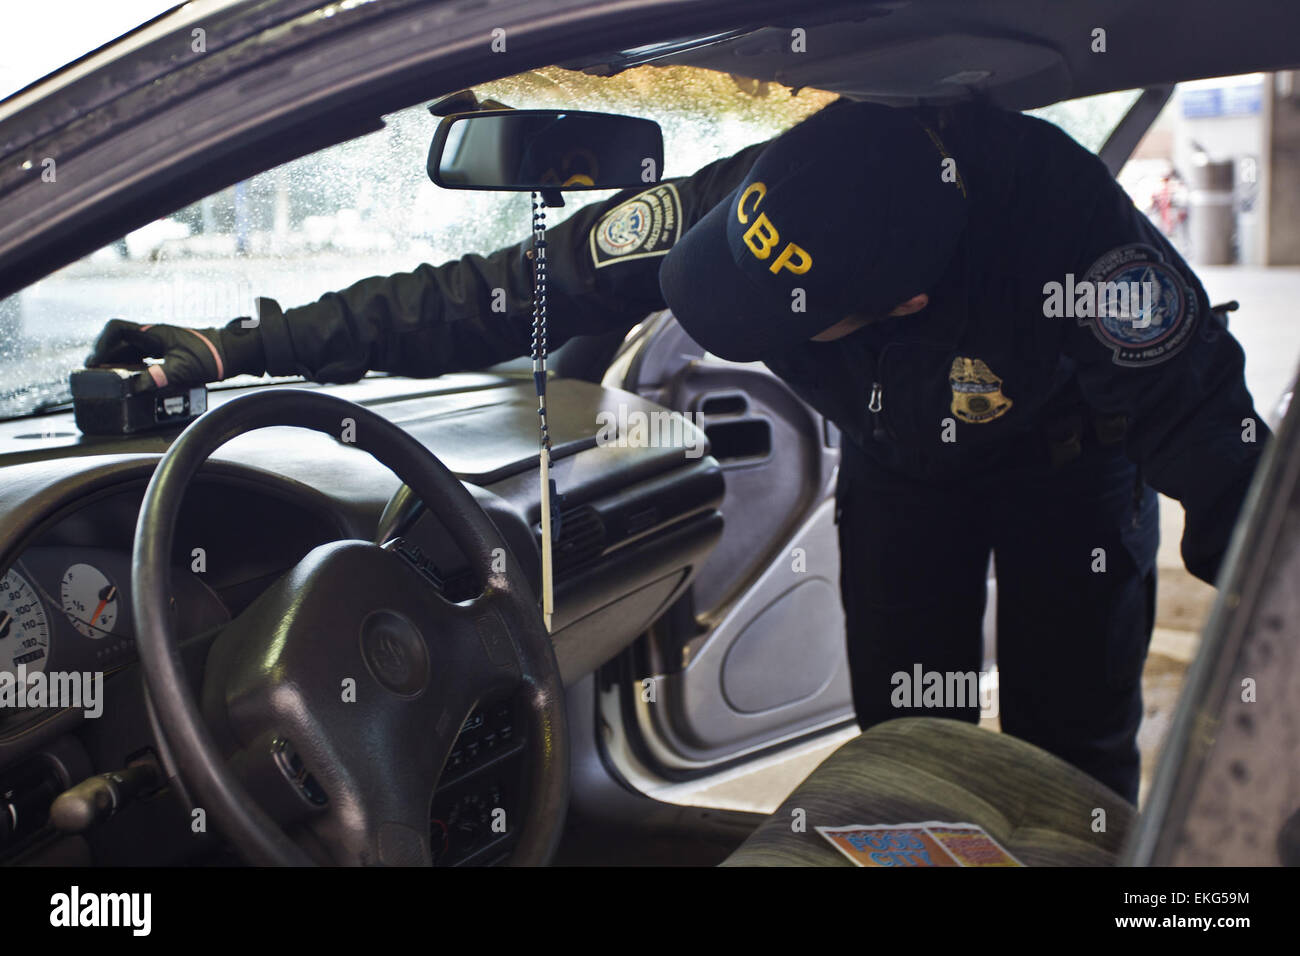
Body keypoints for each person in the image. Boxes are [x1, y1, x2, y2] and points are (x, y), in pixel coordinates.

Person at [87, 99, 1269, 802]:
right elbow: (497, 290)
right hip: (901, 465)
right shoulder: (747, 198)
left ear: (901, 304)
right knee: (914, 742)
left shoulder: (1086, 266)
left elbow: (1242, 489)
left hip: (1068, 465)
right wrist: (232, 342)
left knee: (1074, 757)